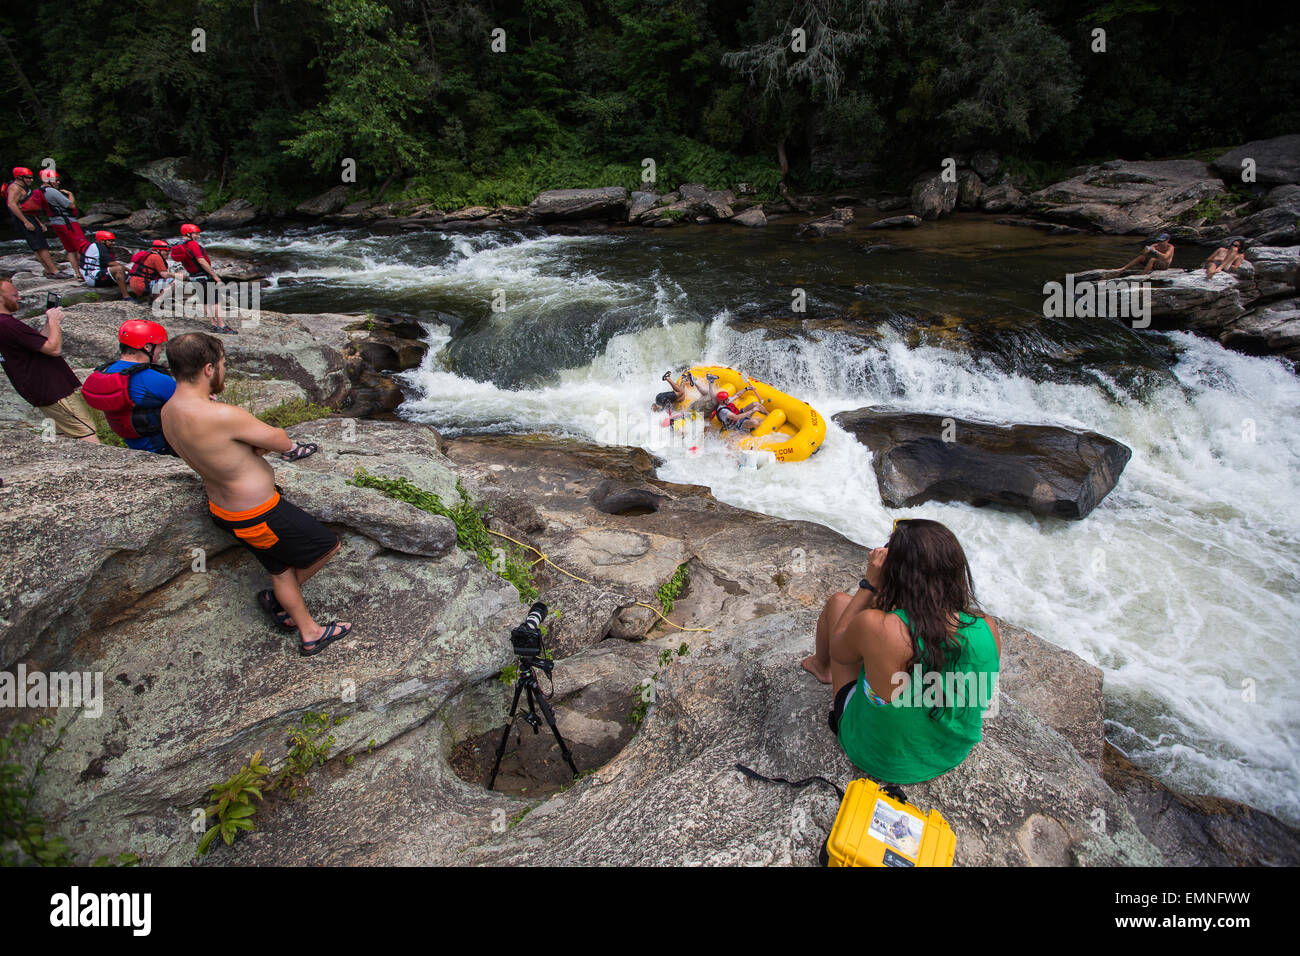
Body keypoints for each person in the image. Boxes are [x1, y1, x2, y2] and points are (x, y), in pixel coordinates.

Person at [160, 332, 346, 653]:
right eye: (222, 363)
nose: (224, 369)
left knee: (281, 568)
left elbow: (213, 449)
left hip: (224, 509)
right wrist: (262, 445)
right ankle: (293, 616)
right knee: (327, 546)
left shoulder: (169, 411)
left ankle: (305, 625)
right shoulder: (222, 415)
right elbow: (281, 440)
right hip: (258, 513)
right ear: (207, 369)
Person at [802, 518, 1001, 784]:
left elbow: (839, 648)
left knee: (839, 604)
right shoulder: (988, 628)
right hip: (950, 753)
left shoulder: (878, 627)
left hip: (877, 757)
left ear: (894, 574)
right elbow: (979, 697)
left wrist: (870, 585)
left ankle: (820, 667)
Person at [0, 276, 99, 441]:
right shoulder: (8, 325)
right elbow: (54, 349)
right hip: (52, 389)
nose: (19, 298)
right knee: (86, 433)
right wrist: (54, 321)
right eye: (14, 295)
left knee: (66, 435)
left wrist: (48, 322)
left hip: (37, 390)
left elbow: (38, 343)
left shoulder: (5, 324)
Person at [80, 320, 176, 454]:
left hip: (133, 446)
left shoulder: (109, 371)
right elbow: (191, 406)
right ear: (147, 347)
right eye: (160, 345)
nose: (162, 349)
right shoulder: (155, 379)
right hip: (163, 448)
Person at [171, 223, 234, 333]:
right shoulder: (192, 245)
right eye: (196, 234)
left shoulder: (179, 246)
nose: (198, 236)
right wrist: (215, 276)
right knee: (215, 302)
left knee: (205, 302)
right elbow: (201, 260)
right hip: (204, 276)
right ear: (188, 234)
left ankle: (213, 324)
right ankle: (221, 325)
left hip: (194, 277)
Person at [4, 167, 59, 278]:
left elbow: (26, 207)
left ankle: (49, 271)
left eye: (32, 178)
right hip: (25, 219)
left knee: (37, 245)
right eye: (28, 177)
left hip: (29, 217)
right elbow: (11, 204)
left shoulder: (22, 187)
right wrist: (25, 222)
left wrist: (38, 222)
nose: (31, 180)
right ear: (19, 177)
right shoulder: (15, 188)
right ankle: (54, 271)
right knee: (41, 246)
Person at [39, 168, 88, 283]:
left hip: (56, 223)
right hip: (67, 223)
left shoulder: (41, 191)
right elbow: (71, 205)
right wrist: (70, 194)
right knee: (82, 247)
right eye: (55, 180)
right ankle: (87, 272)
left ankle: (78, 273)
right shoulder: (52, 191)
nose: (58, 182)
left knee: (70, 249)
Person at [81, 230, 130, 297]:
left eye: (113, 241)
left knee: (127, 275)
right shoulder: (101, 247)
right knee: (119, 269)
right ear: (102, 241)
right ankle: (126, 296)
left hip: (92, 275)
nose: (113, 243)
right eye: (110, 241)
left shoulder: (95, 246)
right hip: (93, 277)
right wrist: (129, 270)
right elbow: (111, 263)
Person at [1106, 233, 1175, 276]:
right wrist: (1146, 250)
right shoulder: (1155, 245)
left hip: (1164, 265)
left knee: (1152, 259)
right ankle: (1123, 269)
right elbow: (1142, 254)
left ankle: (1143, 275)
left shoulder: (1170, 247)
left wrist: (1155, 251)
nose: (1160, 242)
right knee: (1142, 257)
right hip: (1157, 264)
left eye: (1162, 241)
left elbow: (1165, 257)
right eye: (1159, 241)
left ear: (1167, 241)